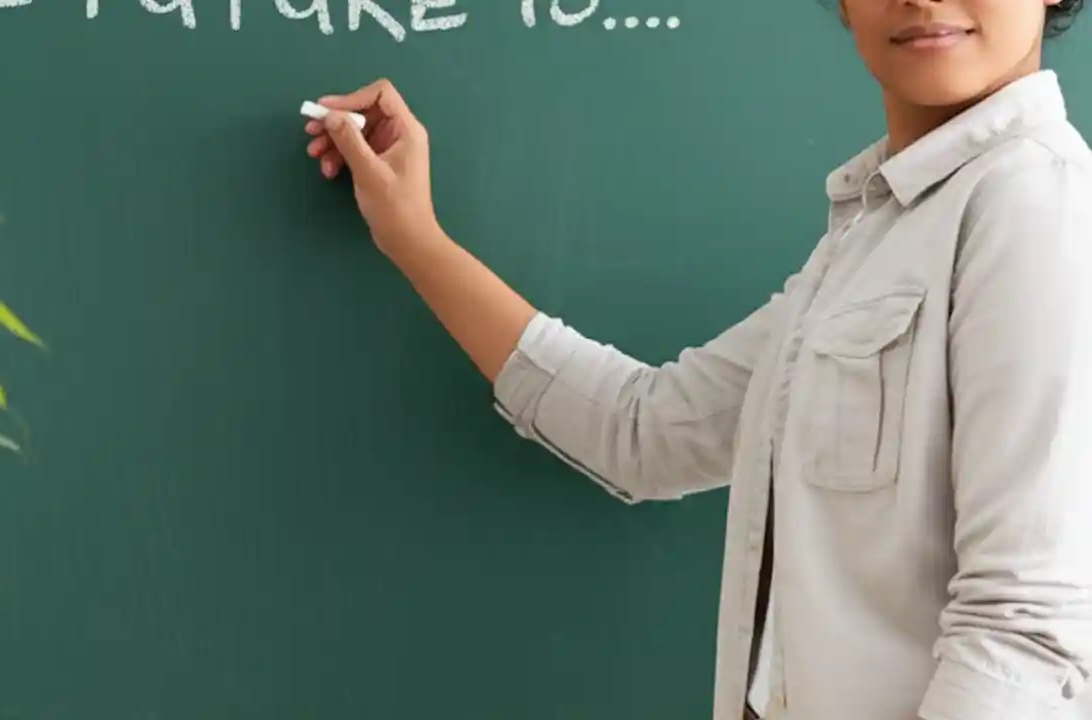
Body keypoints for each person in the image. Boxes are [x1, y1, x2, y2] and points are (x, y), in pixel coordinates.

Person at [302, 1, 1091, 718]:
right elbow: (644, 432)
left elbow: (1026, 637)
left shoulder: (1032, 204)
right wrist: (415, 239)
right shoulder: (874, 239)